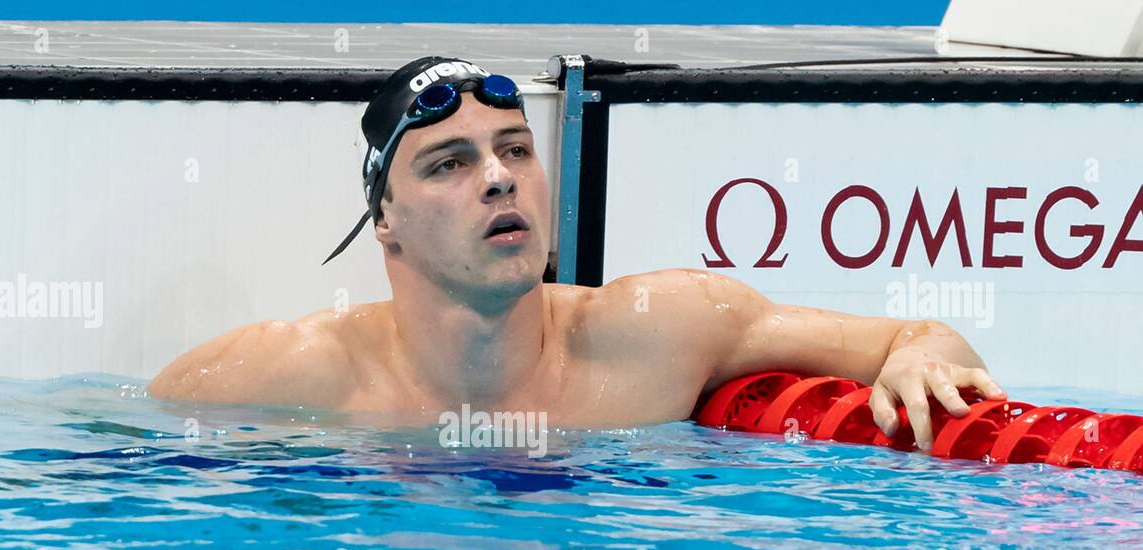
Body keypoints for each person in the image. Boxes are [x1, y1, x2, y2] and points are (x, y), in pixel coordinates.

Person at [149, 56, 1005, 450]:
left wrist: (920, 359)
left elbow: (920, 340)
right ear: (387, 221)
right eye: (451, 164)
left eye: (516, 149)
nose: (499, 180)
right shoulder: (290, 373)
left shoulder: (661, 329)